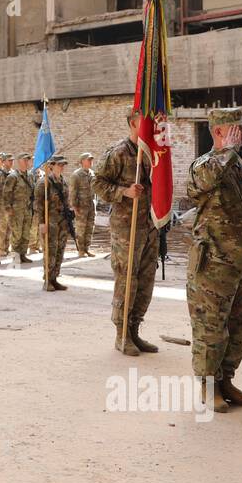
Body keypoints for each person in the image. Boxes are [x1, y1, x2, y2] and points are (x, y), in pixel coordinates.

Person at [185, 109, 242, 413]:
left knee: (238, 325)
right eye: (234, 129)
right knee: (210, 326)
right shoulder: (204, 165)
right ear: (218, 132)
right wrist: (227, 151)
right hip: (213, 263)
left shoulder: (241, 169)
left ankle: (226, 380)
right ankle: (208, 385)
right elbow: (201, 186)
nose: (241, 133)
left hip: (241, 262)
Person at [93, 110, 160, 356]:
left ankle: (134, 331)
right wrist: (124, 191)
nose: (151, 125)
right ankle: (121, 335)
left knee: (145, 282)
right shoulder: (118, 153)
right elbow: (97, 183)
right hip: (126, 228)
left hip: (149, 226)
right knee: (127, 280)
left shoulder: (153, 153)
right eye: (146, 121)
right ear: (133, 123)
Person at [34, 155, 70, 291]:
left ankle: (55, 278)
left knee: (60, 250)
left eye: (63, 165)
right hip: (50, 222)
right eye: (59, 164)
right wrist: (42, 222)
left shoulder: (63, 181)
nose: (61, 167)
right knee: (50, 251)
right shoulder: (44, 183)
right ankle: (47, 280)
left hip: (62, 222)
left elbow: (66, 201)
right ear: (51, 166)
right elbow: (38, 204)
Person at [1, 152, 35, 265]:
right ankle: (16, 256)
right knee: (17, 233)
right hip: (16, 210)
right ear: (19, 161)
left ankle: (23, 254)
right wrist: (8, 208)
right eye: (24, 160)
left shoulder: (30, 175)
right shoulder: (13, 176)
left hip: (27, 209)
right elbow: (6, 193)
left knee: (26, 233)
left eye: (28, 160)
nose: (27, 162)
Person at [69, 153, 97, 257]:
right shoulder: (76, 175)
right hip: (81, 206)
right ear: (82, 161)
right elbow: (72, 192)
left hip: (91, 205)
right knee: (81, 228)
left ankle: (87, 248)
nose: (91, 161)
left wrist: (96, 202)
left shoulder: (92, 173)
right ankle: (81, 250)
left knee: (90, 227)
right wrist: (74, 206)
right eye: (88, 159)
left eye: (91, 159)